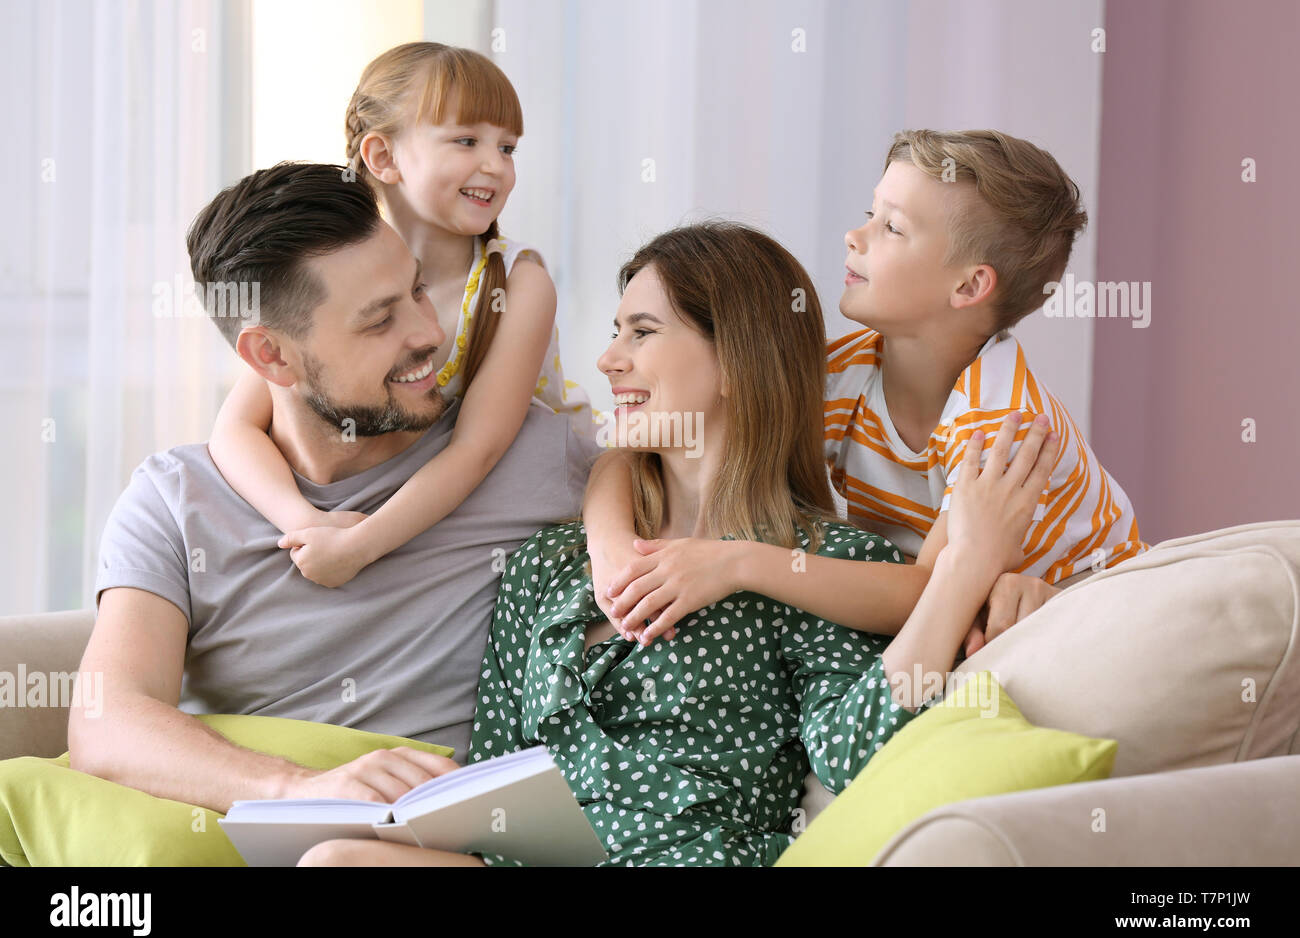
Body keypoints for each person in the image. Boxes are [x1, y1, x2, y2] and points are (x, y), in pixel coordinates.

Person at [297, 222, 1057, 866]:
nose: (608, 358)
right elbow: (491, 772)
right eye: (614, 331)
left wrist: (964, 569)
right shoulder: (550, 563)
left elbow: (856, 756)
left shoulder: (829, 569)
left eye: (644, 332)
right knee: (337, 862)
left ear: (737, 360)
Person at [68, 162, 597, 814]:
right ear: (271, 357)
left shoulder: (543, 456)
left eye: (419, 292)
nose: (430, 335)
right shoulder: (175, 504)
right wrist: (301, 791)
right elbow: (105, 721)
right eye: (379, 322)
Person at [584, 129, 1147, 656]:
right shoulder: (842, 372)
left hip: (1096, 610)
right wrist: (610, 548)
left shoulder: (1001, 425)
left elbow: (921, 594)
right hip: (958, 605)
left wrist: (736, 563)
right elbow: (644, 438)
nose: (854, 237)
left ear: (970, 285)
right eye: (868, 216)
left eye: (892, 228)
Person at [208, 42, 603, 590]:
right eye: (467, 140)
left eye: (507, 147)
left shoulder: (519, 282)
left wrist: (358, 545)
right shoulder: (336, 282)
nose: (496, 165)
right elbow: (233, 429)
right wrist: (305, 522)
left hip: (539, 502)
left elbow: (477, 447)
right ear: (383, 157)